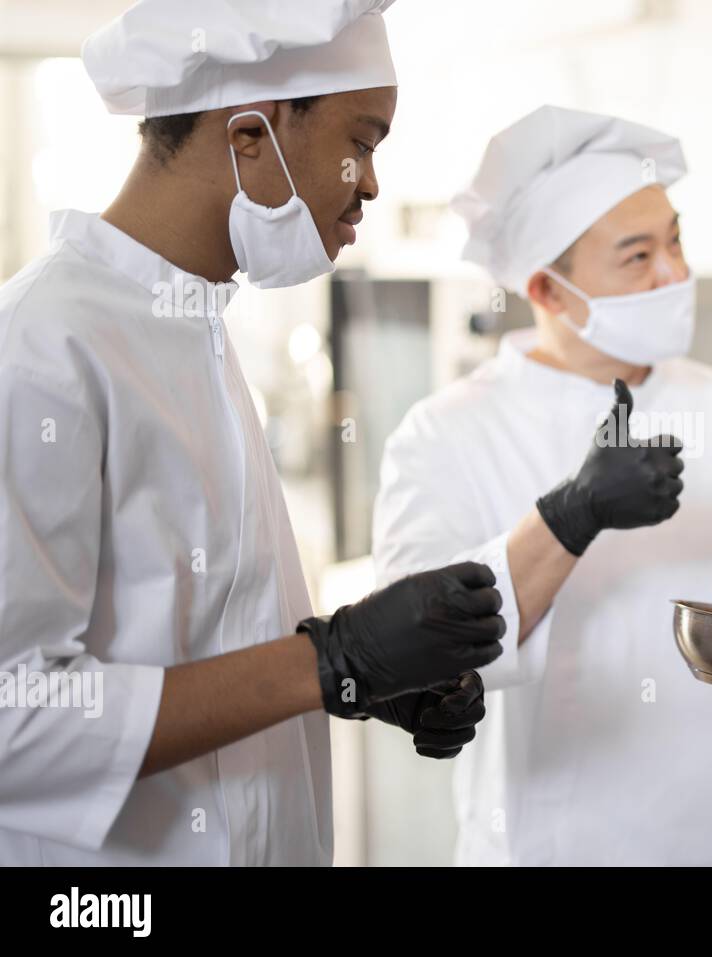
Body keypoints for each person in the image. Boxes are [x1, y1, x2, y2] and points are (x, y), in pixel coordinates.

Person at [0, 0, 501, 866]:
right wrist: (326, 661)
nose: (371, 184)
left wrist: (363, 677)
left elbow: (191, 642)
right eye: (364, 140)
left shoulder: (192, 327)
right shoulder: (46, 346)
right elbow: (15, 716)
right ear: (250, 137)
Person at [373, 105, 712, 866]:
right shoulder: (447, 434)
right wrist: (570, 515)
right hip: (548, 850)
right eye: (638, 256)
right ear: (549, 290)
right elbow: (410, 656)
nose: (676, 274)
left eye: (676, 240)